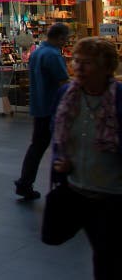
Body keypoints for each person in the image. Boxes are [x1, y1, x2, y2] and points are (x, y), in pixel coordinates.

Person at [51, 37, 122, 279]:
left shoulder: (118, 99)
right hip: (78, 191)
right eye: (76, 61)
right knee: (100, 254)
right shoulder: (66, 96)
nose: (78, 68)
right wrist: (61, 160)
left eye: (88, 63)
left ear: (106, 67)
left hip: (112, 195)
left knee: (107, 257)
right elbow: (58, 136)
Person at [14, 22, 70, 200]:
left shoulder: (37, 52)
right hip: (54, 108)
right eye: (65, 39)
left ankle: (24, 182)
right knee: (62, 147)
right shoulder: (53, 55)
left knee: (36, 147)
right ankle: (63, 187)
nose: (66, 43)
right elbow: (63, 83)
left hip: (39, 107)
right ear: (60, 38)